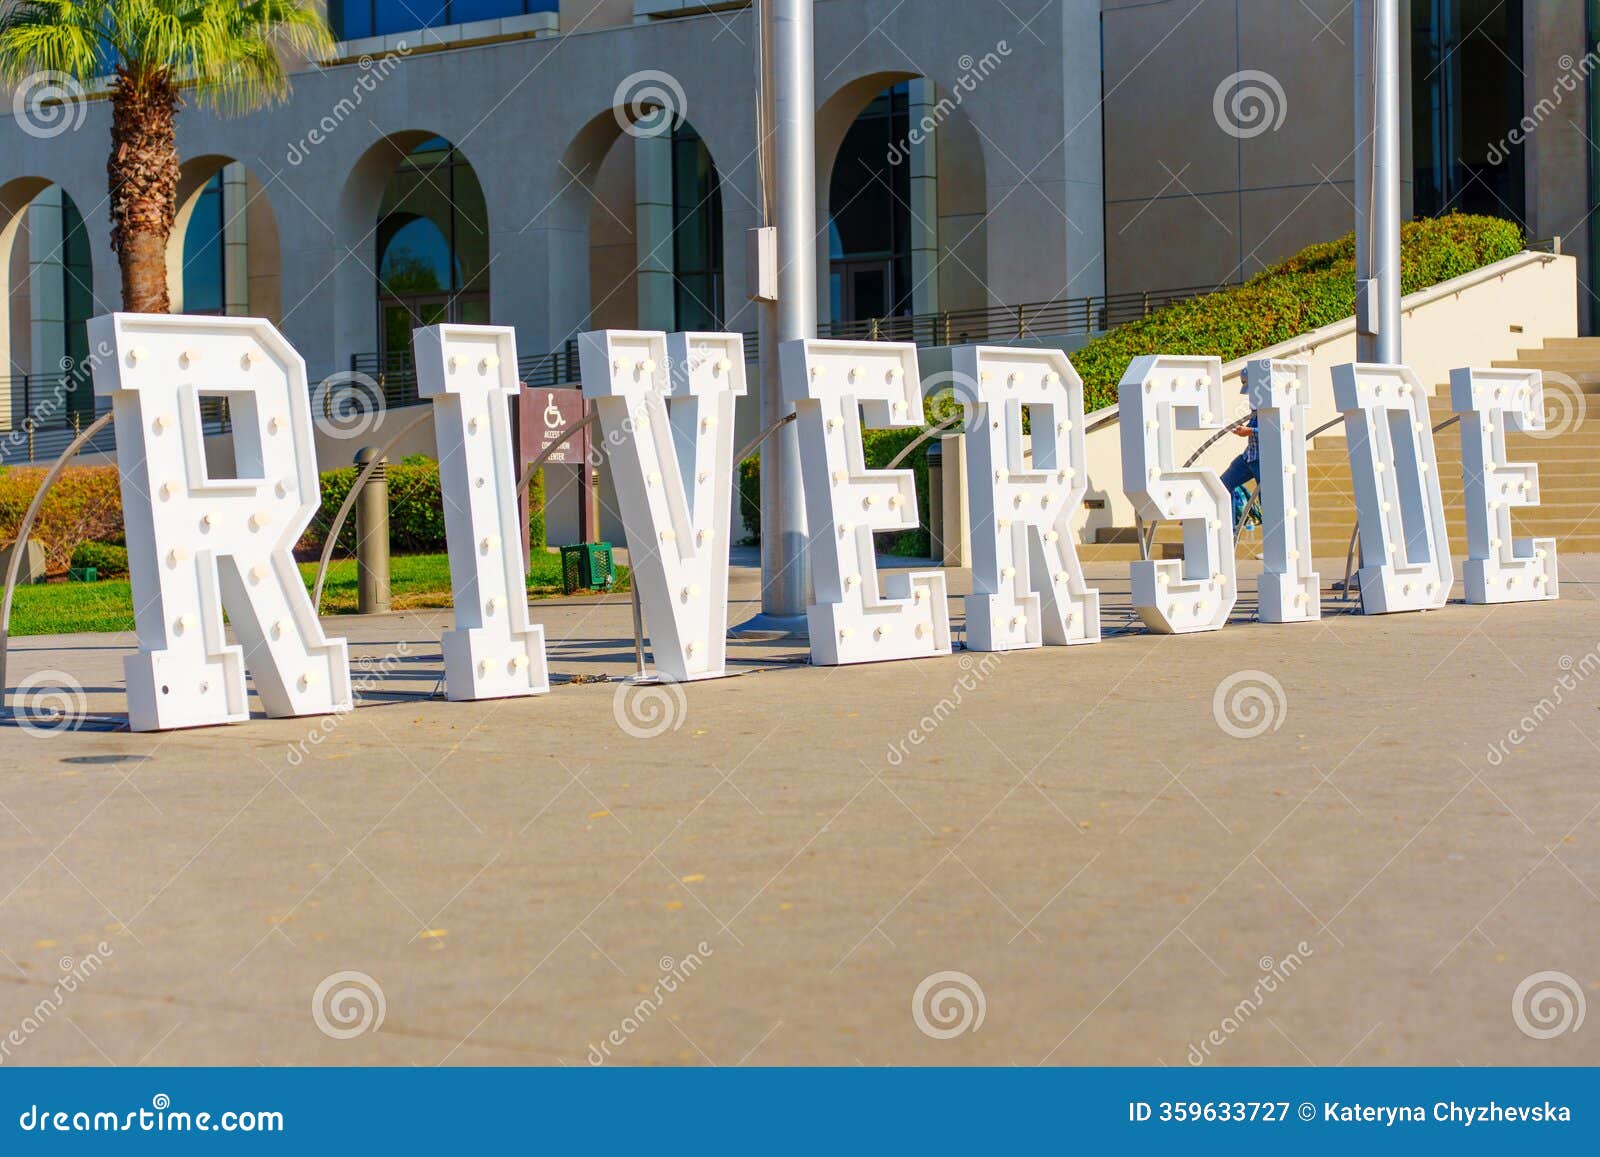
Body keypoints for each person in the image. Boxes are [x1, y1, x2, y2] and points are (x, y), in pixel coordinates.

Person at [1220, 413, 1259, 531]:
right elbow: (1254, 428)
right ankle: (1229, 532)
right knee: (1222, 487)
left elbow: (1276, 429)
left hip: (1264, 460)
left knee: (1268, 497)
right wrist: (1243, 429)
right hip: (1248, 457)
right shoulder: (1255, 411)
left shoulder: (1269, 409)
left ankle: (1273, 532)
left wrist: (1251, 430)